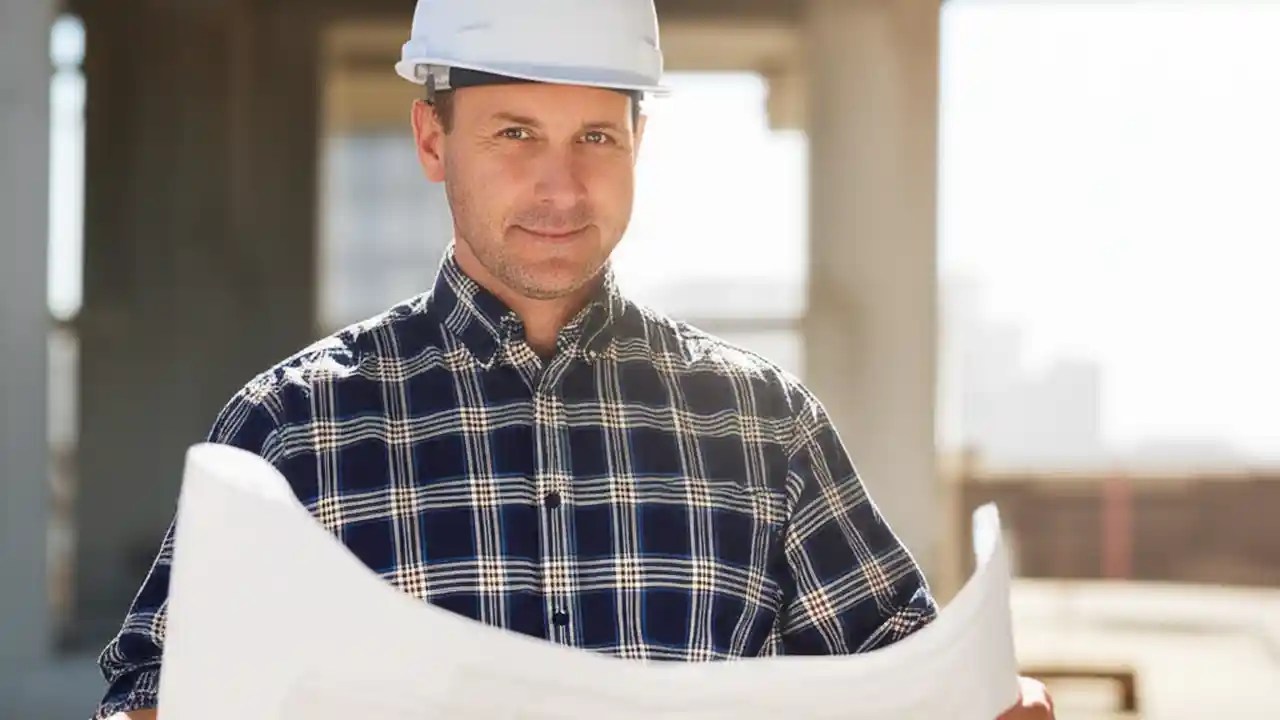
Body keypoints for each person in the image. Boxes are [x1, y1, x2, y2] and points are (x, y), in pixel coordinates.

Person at [94, 1, 1053, 718]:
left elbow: (904, 668)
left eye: (595, 136)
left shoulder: (763, 427)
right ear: (434, 140)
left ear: (640, 139)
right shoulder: (292, 429)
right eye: (516, 134)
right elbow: (155, 688)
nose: (561, 186)